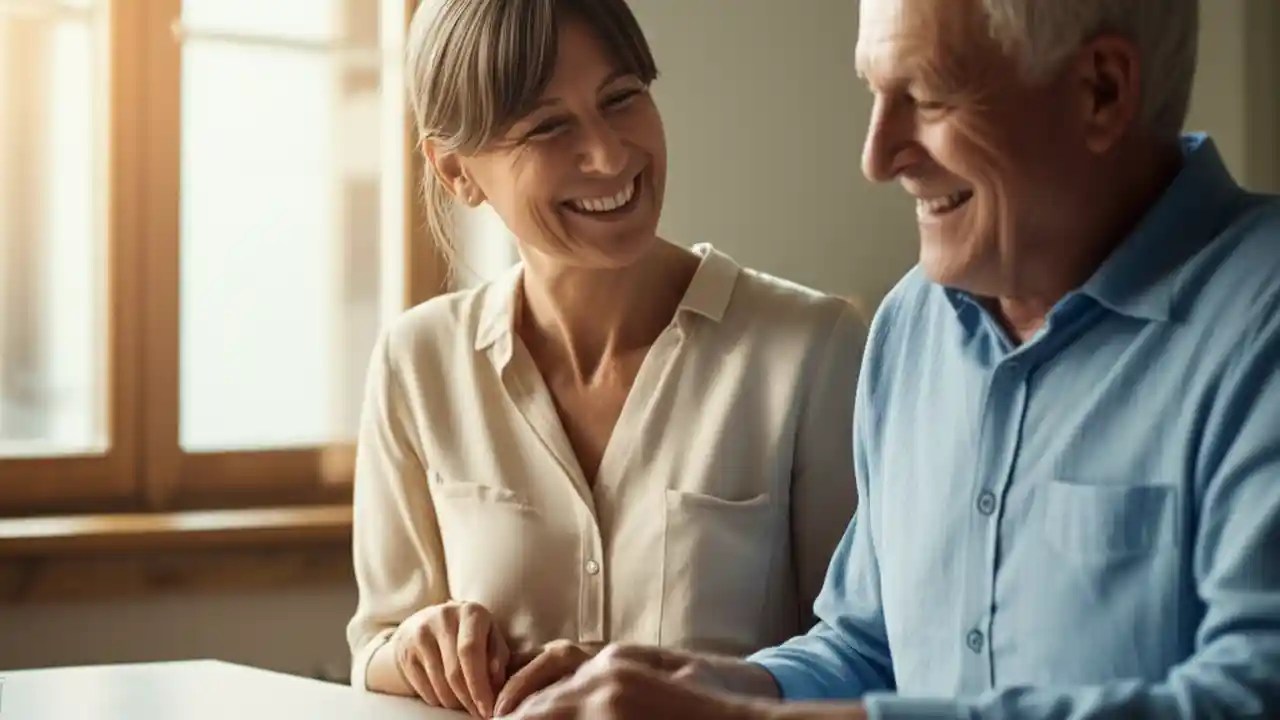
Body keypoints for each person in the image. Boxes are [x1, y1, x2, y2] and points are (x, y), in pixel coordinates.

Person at [501, 0, 1280, 718]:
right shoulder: (912, 323)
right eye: (876, 92)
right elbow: (870, 645)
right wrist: (691, 688)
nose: (878, 156)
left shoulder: (1260, 324)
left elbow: (1250, 695)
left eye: (930, 98)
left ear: (1101, 92)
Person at [345, 0, 864, 717]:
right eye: (548, 126)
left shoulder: (813, 349)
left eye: (622, 98)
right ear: (457, 171)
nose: (610, 156)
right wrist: (412, 647)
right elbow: (374, 645)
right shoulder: (417, 361)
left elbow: (863, 655)